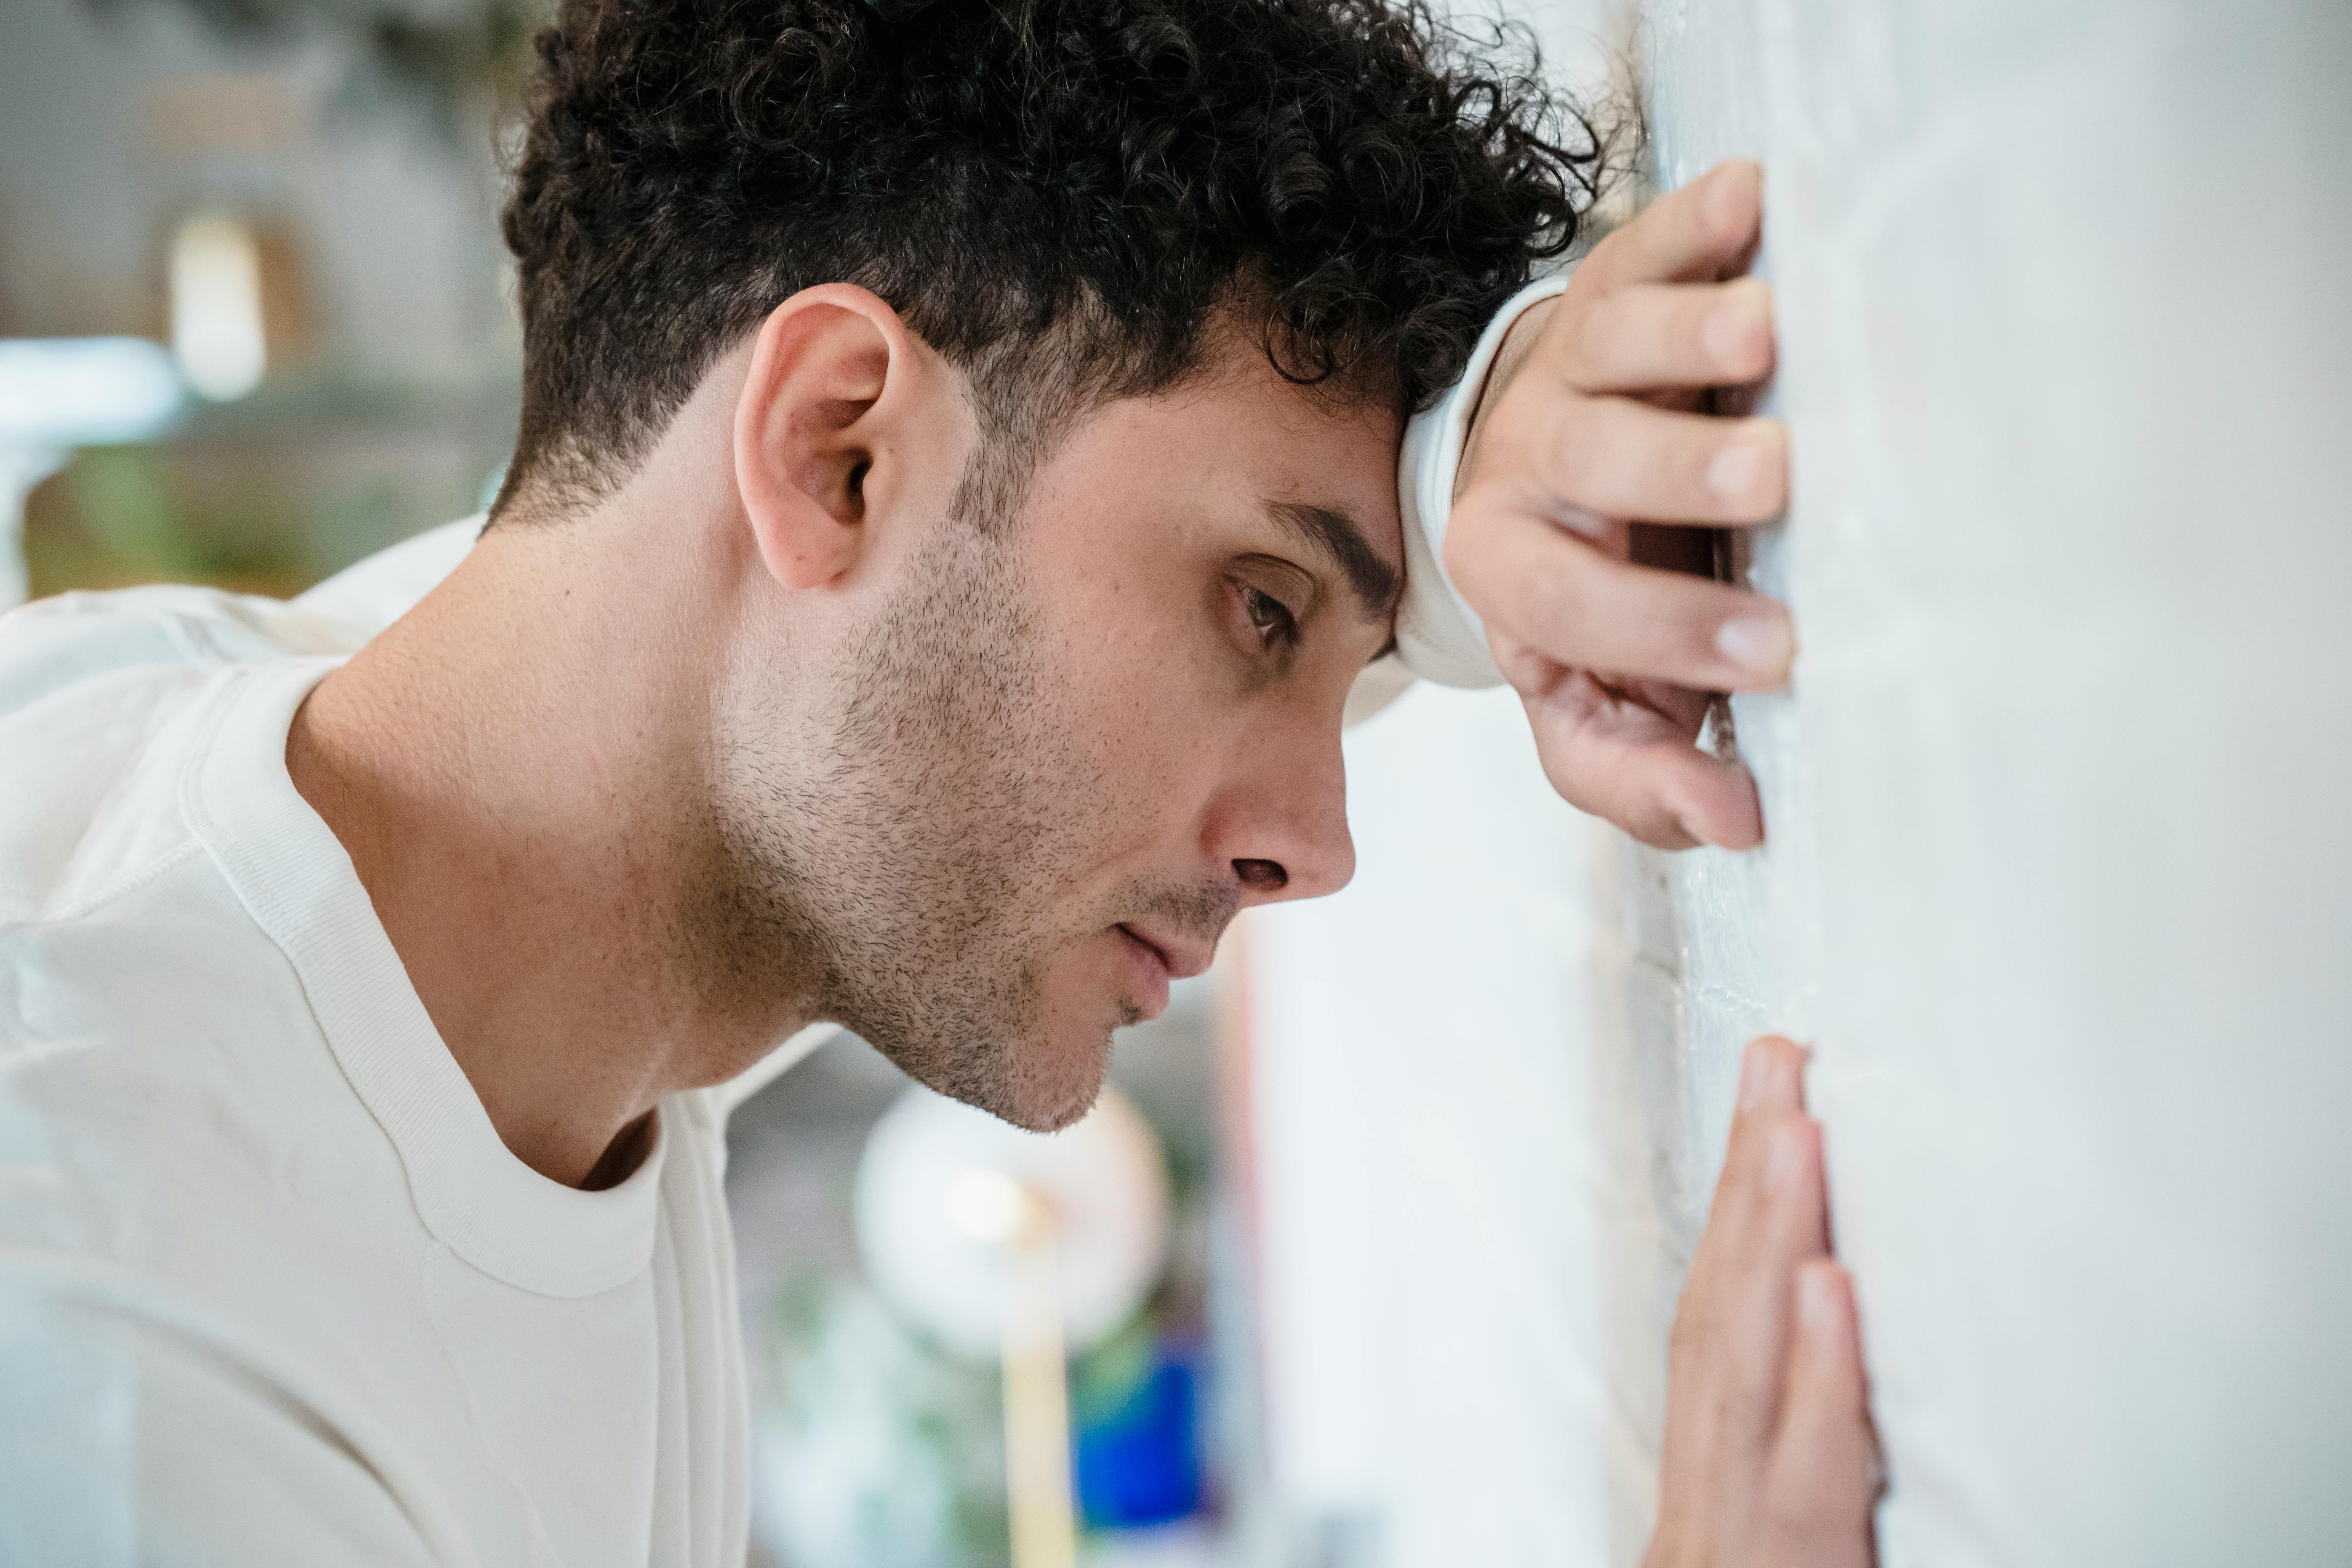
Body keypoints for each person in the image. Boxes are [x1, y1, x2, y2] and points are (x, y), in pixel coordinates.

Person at [0, 0, 1858, 1561]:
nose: (1317, 849)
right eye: (1260, 609)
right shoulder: (120, 1368)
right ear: (843, 457)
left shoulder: (323, 750)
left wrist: (1485, 454)